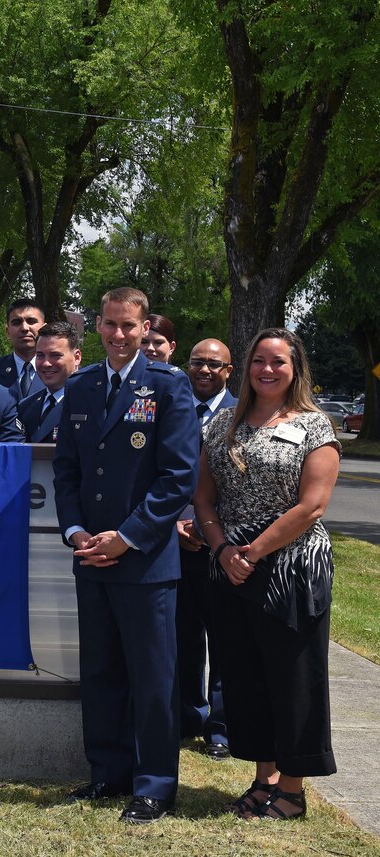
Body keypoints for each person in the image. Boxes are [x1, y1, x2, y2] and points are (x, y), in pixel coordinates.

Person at [52, 287, 199, 824]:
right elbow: (66, 469)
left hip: (144, 561)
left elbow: (179, 475)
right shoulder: (83, 385)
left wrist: (127, 537)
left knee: (153, 678)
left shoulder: (168, 385)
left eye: (129, 326)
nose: (119, 335)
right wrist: (75, 532)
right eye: (110, 325)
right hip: (90, 556)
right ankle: (107, 774)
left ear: (144, 328)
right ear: (96, 325)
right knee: (101, 671)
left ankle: (154, 784)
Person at [193, 328, 340, 821]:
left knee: (293, 678)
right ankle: (264, 779)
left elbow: (313, 505)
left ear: (295, 368)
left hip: (291, 570)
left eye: (279, 361)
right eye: (259, 360)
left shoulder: (317, 426)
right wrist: (221, 550)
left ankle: (293, 791)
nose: (268, 370)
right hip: (233, 570)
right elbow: (204, 498)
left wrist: (252, 552)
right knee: (247, 677)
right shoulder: (222, 428)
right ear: (247, 367)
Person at [175, 338, 237, 759]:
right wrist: (175, 521)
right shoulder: (173, 407)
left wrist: (210, 527)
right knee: (183, 639)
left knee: (226, 640)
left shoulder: (243, 416)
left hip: (223, 547)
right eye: (198, 363)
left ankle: (223, 726)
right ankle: (187, 717)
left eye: (214, 365)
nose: (204, 371)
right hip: (175, 545)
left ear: (228, 371)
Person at [18, 321, 82, 443]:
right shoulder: (25, 407)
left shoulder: (91, 401)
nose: (46, 363)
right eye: (40, 356)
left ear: (77, 357)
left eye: (55, 355)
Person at [0, 298, 46, 399]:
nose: (24, 328)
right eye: (17, 322)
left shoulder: (59, 372)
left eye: (31, 321)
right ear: (7, 332)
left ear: (44, 329)